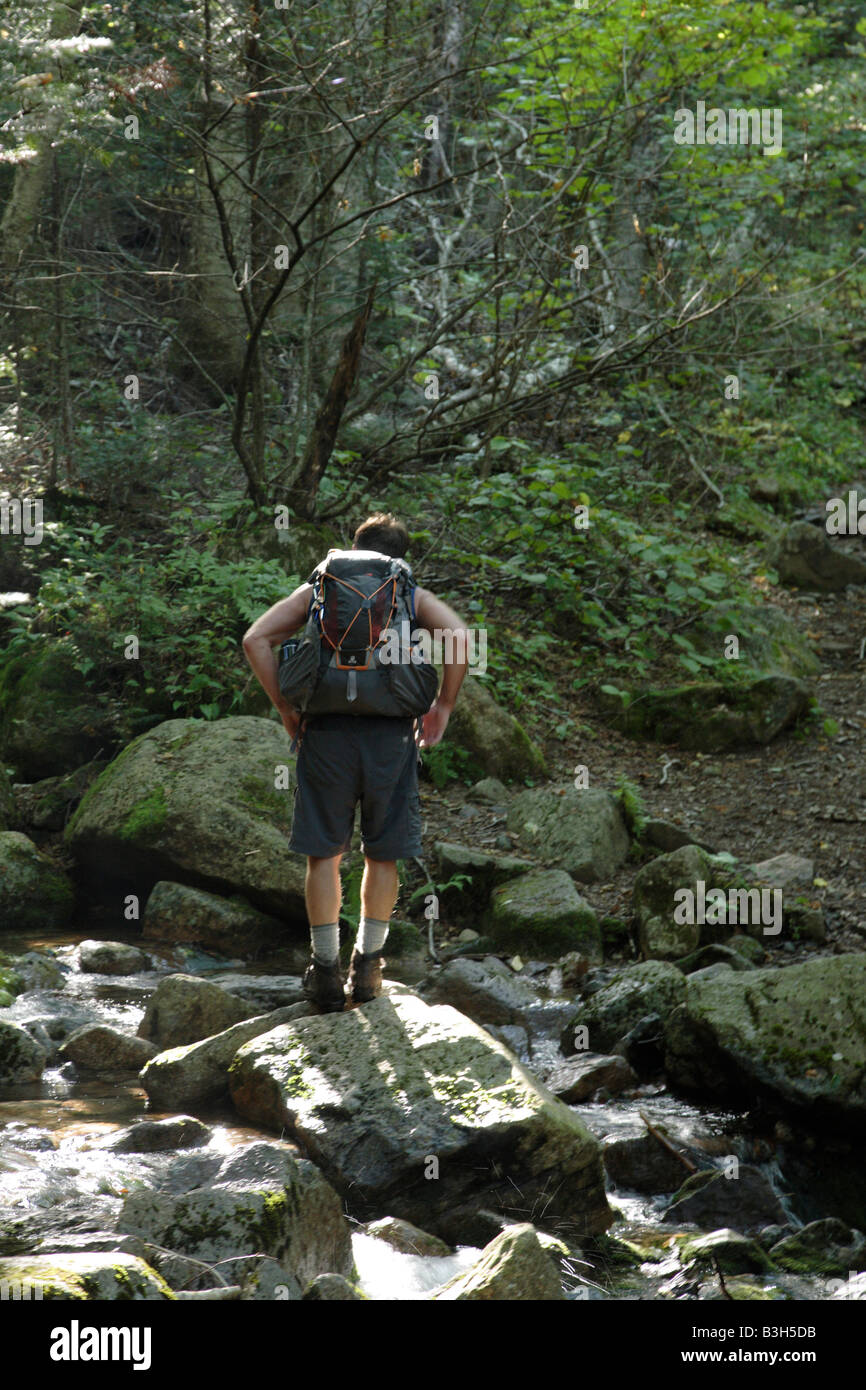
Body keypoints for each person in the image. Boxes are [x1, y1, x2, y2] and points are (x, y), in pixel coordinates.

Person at [242, 511, 470, 1012]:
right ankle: (367, 969)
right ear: (400, 555)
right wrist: (444, 707)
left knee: (324, 852)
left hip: (324, 733)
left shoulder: (322, 588)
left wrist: (285, 708)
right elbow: (458, 635)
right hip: (391, 737)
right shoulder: (406, 590)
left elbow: (255, 639)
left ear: (355, 545)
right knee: (382, 852)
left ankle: (324, 970)